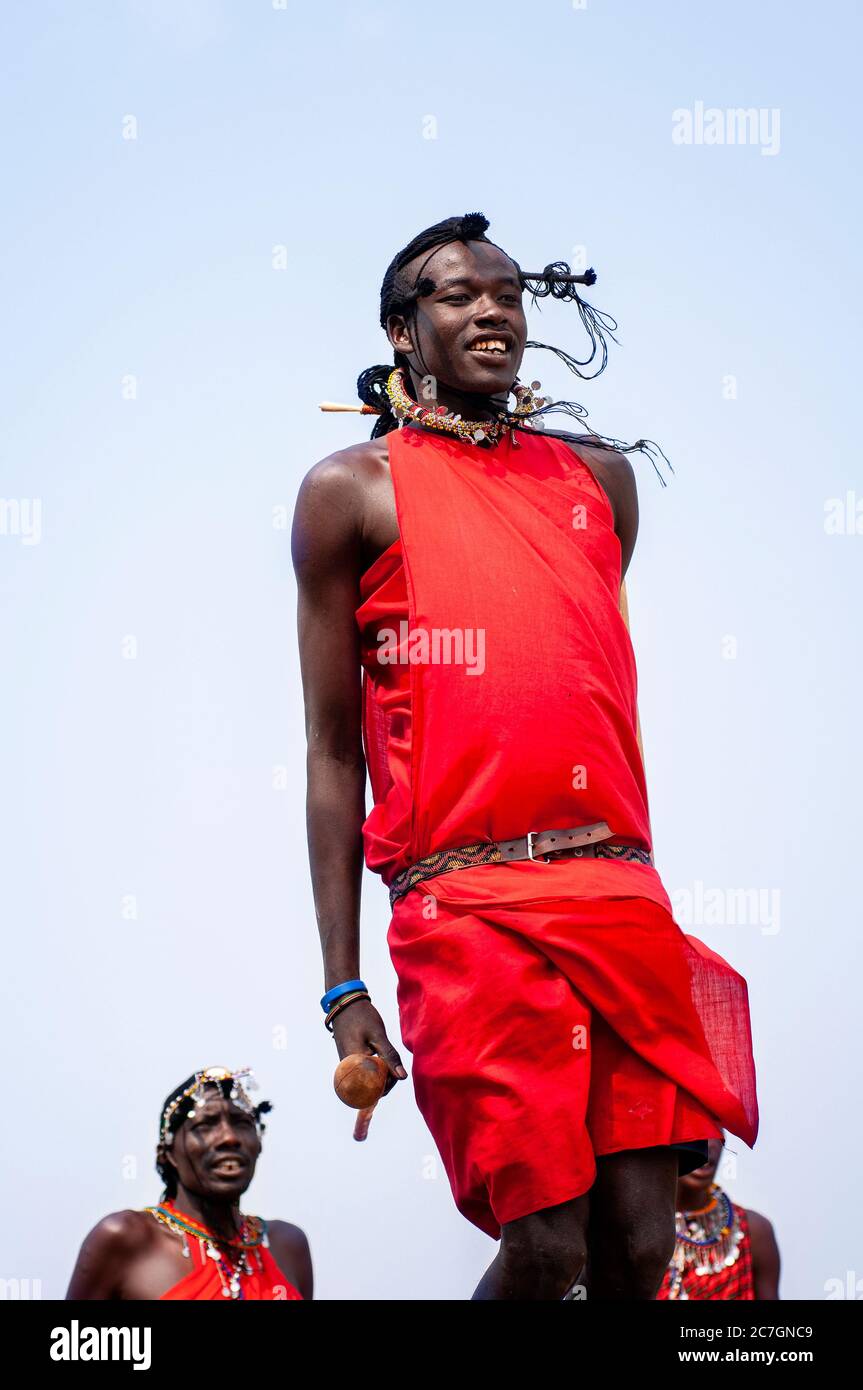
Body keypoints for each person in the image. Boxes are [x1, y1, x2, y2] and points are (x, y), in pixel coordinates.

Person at [292, 212, 759, 1300]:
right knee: (546, 1245)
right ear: (403, 331)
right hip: (465, 908)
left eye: (507, 293)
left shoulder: (597, 481)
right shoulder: (350, 490)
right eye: (457, 295)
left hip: (615, 892)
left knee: (643, 1248)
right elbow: (327, 751)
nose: (492, 310)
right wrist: (339, 985)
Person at [66, 1066, 311, 1300]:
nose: (229, 1138)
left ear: (259, 1145)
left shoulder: (288, 1245)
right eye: (205, 1125)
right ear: (170, 1153)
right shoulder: (124, 1239)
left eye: (242, 1123)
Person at [656, 1134, 779, 1300]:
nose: (706, 1144)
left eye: (713, 1127)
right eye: (692, 1126)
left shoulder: (754, 1231)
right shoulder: (630, 1230)